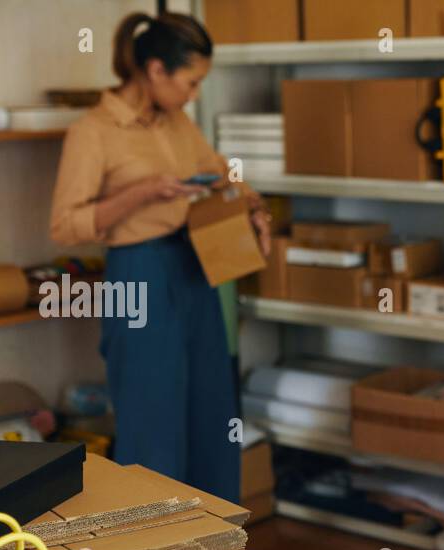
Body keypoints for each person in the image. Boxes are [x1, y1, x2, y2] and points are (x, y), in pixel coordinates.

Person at [50, 12, 270, 502]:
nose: (194, 94)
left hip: (197, 270)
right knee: (153, 425)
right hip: (139, 274)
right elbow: (64, 225)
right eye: (190, 82)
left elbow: (221, 174)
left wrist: (251, 205)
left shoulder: (177, 124)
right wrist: (141, 194)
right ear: (155, 71)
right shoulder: (93, 132)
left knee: (214, 418)